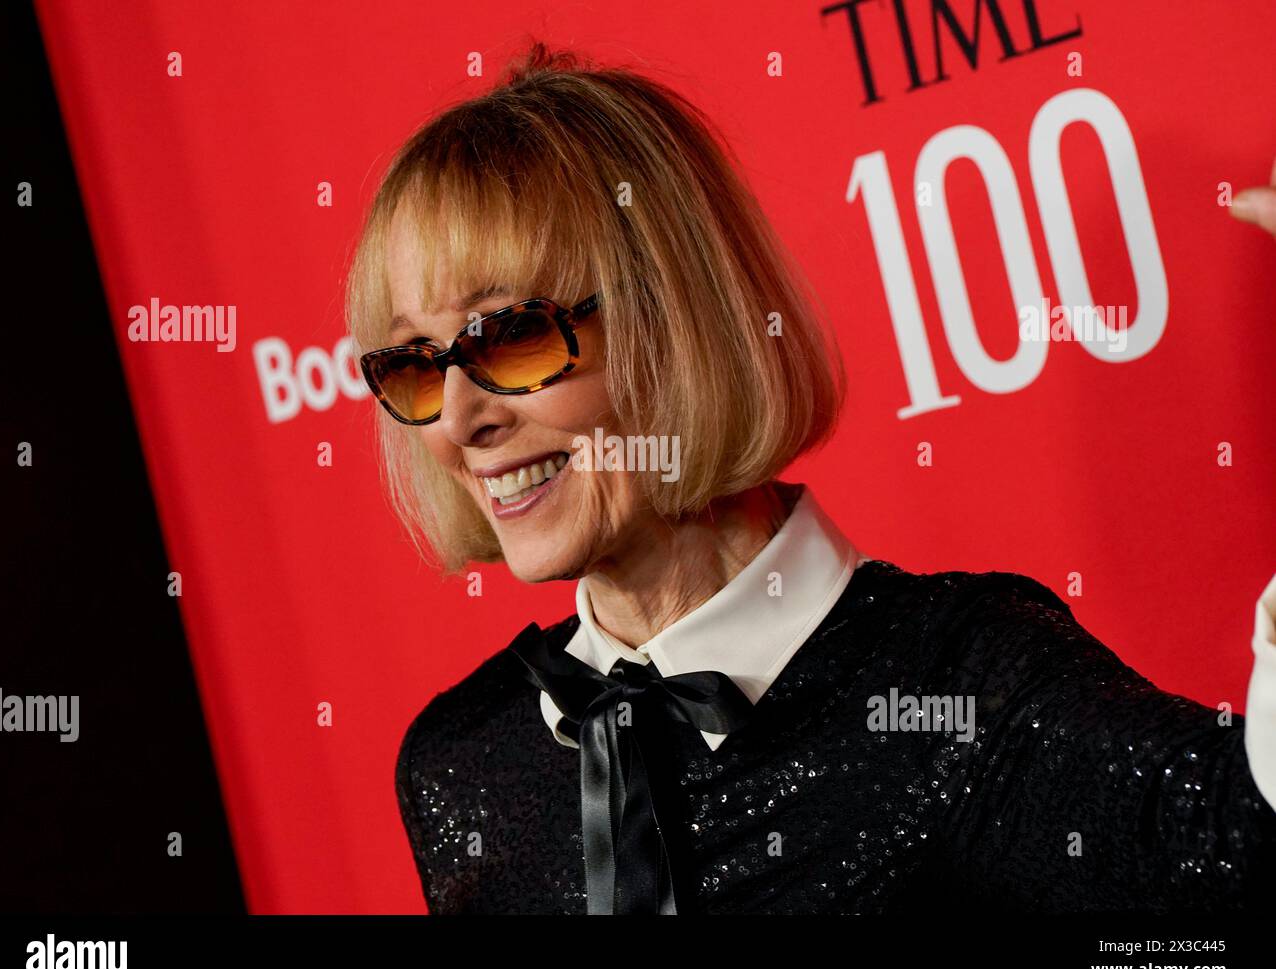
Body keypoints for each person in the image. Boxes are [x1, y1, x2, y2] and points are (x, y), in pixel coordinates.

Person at [345, 42, 1276, 913]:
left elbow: (1237, 835)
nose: (460, 420)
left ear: (677, 325)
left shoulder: (951, 691)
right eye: (415, 366)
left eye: (510, 336)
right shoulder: (465, 762)